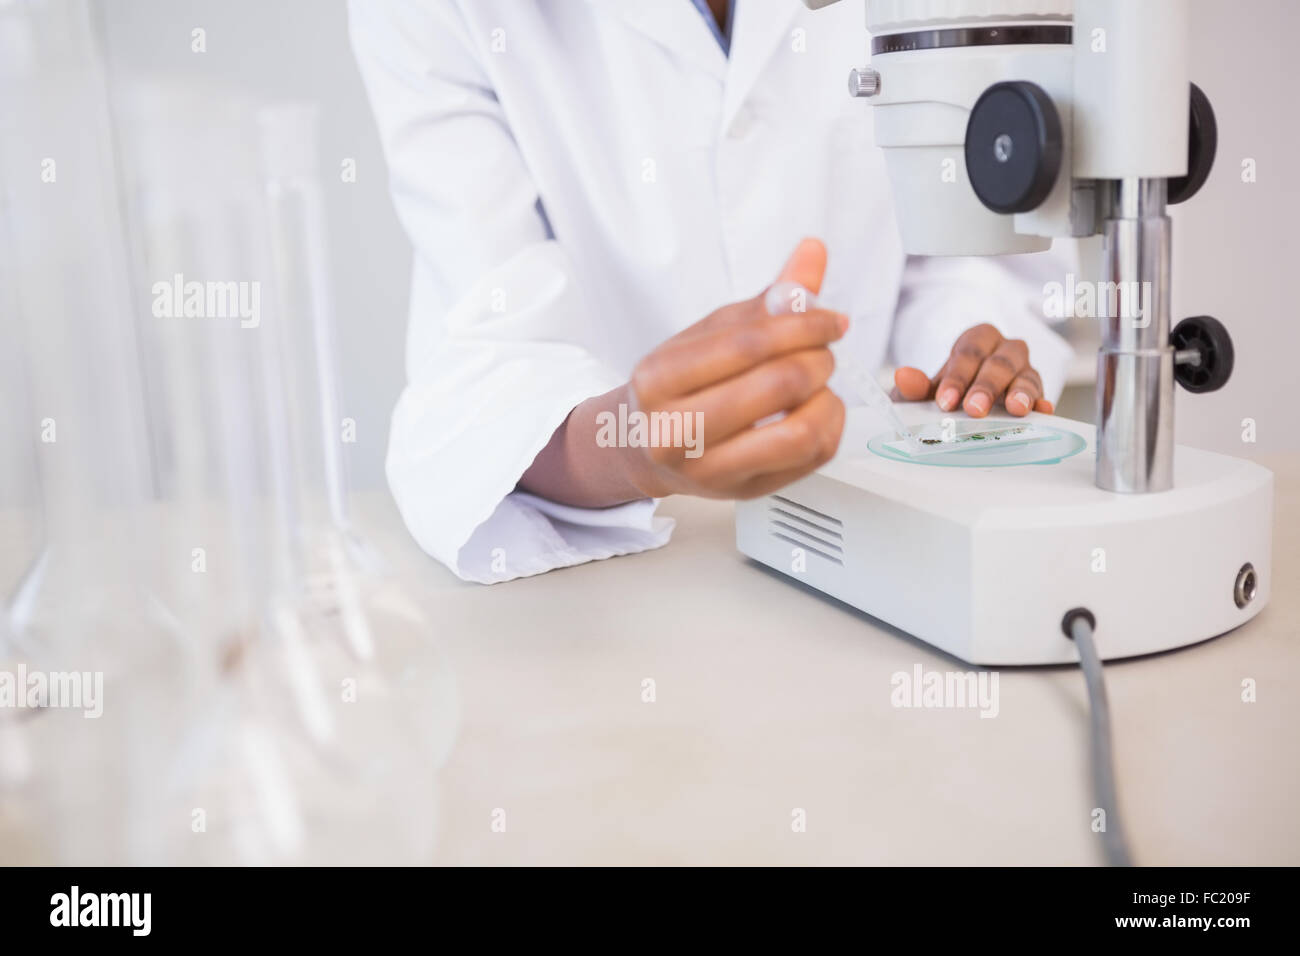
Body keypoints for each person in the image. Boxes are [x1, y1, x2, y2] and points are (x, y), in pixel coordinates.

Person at [349, 0, 1074, 583]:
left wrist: (965, 348)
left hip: (885, 530)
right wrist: (633, 445)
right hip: (626, 582)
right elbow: (488, 356)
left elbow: (965, 235)